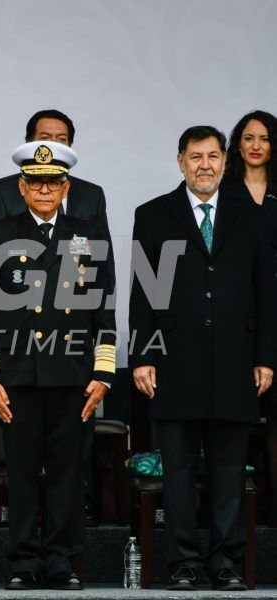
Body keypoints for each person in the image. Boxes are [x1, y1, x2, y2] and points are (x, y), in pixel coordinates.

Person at [129, 125, 276, 591]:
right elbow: (142, 291)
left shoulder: (249, 215)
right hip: (173, 361)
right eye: (196, 156)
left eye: (214, 156)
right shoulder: (153, 215)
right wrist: (142, 355)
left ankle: (227, 562)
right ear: (180, 161)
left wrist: (266, 356)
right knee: (177, 470)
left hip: (237, 361)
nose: (205, 165)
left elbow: (266, 290)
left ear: (224, 160)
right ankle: (184, 563)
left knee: (230, 469)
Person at [0, 141, 116, 591]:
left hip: (73, 377)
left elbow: (103, 309)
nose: (44, 190)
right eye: (35, 182)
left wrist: (104, 372)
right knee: (23, 473)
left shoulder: (86, 235)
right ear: (22, 186)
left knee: (68, 475)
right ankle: (22, 562)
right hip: (17, 378)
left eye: (53, 182)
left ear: (65, 186)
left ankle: (60, 561)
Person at [224, 111, 277, 525]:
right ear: (236, 145)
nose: (256, 144)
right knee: (232, 414)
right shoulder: (222, 192)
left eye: (264, 137)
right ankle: (236, 516)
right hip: (233, 315)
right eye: (247, 137)